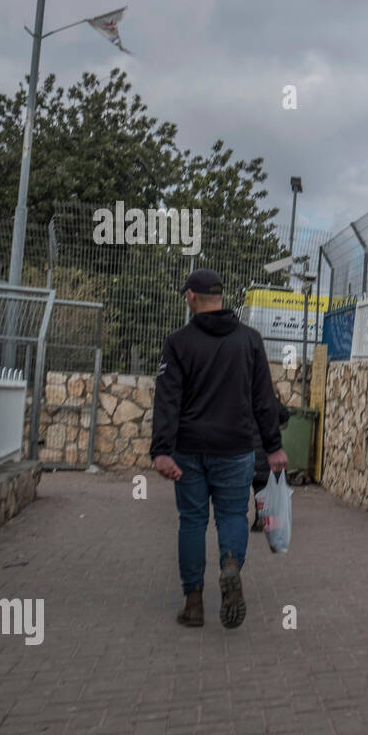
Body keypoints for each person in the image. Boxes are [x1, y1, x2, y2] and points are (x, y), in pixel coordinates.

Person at [149, 268, 287, 629]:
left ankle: (193, 604)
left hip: (189, 450)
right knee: (231, 516)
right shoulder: (250, 340)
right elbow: (264, 400)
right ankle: (230, 564)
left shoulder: (178, 342)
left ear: (191, 296)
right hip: (236, 448)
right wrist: (273, 447)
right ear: (221, 297)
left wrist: (161, 450)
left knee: (192, 521)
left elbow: (167, 399)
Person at [252, 396, 292, 532]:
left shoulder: (242, 399)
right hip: (268, 451)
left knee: (258, 486)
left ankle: (260, 517)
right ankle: (267, 519)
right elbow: (285, 415)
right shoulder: (268, 400)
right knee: (268, 486)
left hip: (249, 452)